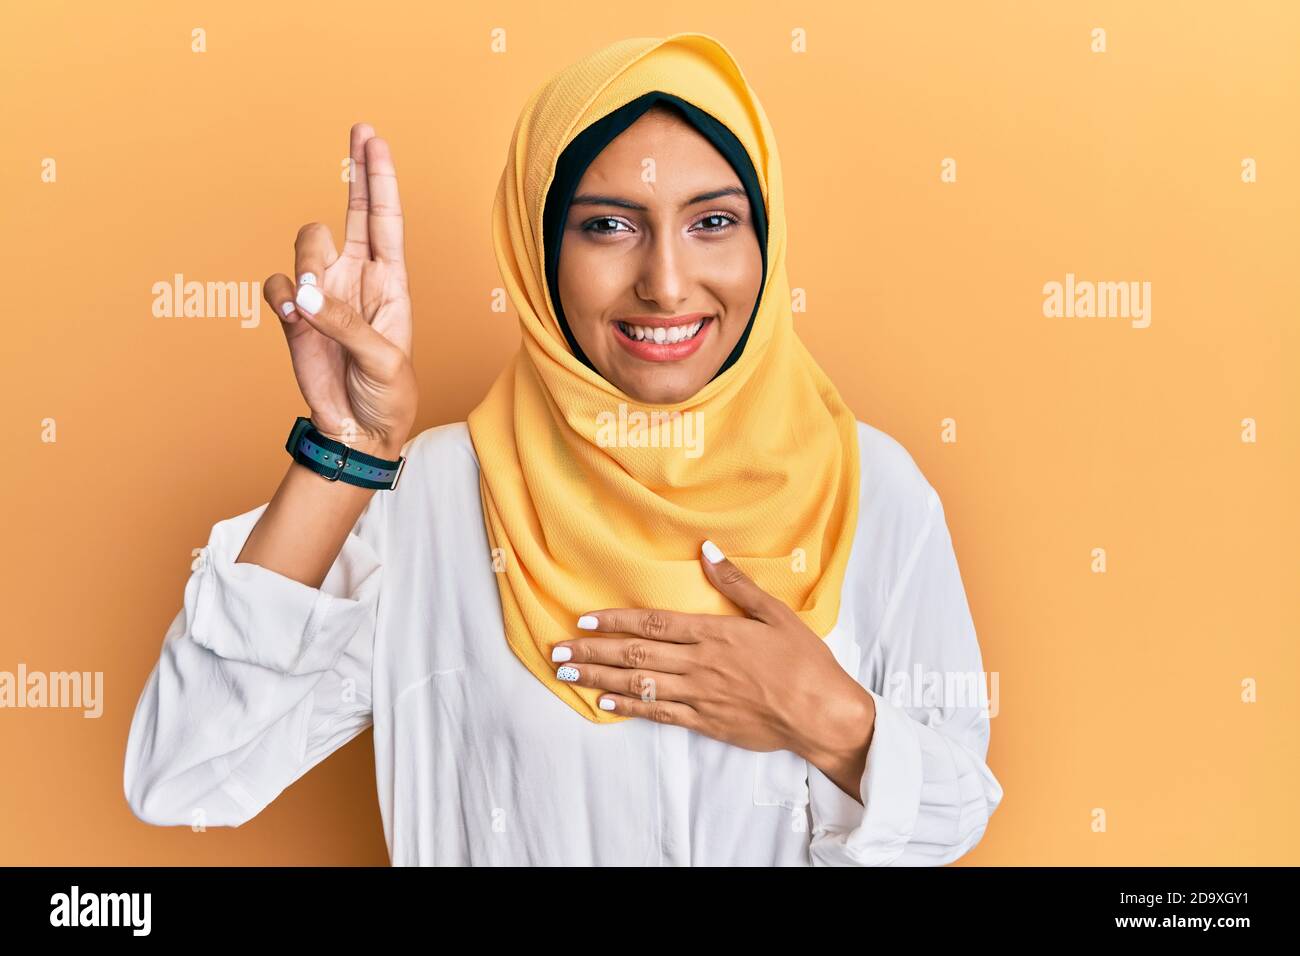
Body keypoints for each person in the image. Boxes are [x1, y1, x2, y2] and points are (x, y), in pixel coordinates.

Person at [123, 31, 1003, 866]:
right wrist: (345, 448)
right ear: (538, 250)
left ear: (764, 241)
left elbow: (955, 811)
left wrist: (826, 716)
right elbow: (183, 775)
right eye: (609, 226)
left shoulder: (870, 490)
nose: (664, 283)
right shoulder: (433, 499)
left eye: (712, 222)